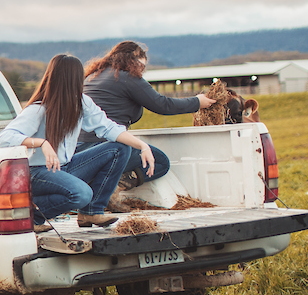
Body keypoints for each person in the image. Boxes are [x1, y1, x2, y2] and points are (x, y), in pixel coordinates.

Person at [0, 54, 156, 231]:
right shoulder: (39, 109)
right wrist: (41, 143)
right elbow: (5, 138)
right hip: (37, 173)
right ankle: (31, 214)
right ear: (72, 79)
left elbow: (109, 128)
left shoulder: (82, 102)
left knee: (119, 148)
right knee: (81, 193)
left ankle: (92, 210)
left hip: (65, 166)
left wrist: (142, 145)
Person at [77, 41, 215, 186]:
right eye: (141, 66)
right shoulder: (126, 77)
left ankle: (101, 183)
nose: (141, 71)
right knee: (160, 162)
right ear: (133, 62)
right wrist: (197, 102)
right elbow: (163, 105)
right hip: (106, 145)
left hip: (80, 147)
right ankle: (115, 186)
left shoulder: (92, 76)